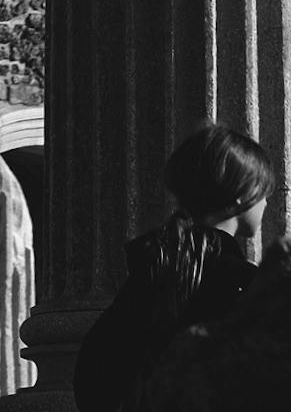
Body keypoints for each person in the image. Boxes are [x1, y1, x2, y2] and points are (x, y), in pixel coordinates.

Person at [71, 122, 272, 411]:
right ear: (240, 196)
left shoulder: (153, 269)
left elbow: (93, 369)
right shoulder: (235, 281)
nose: (265, 203)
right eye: (263, 193)